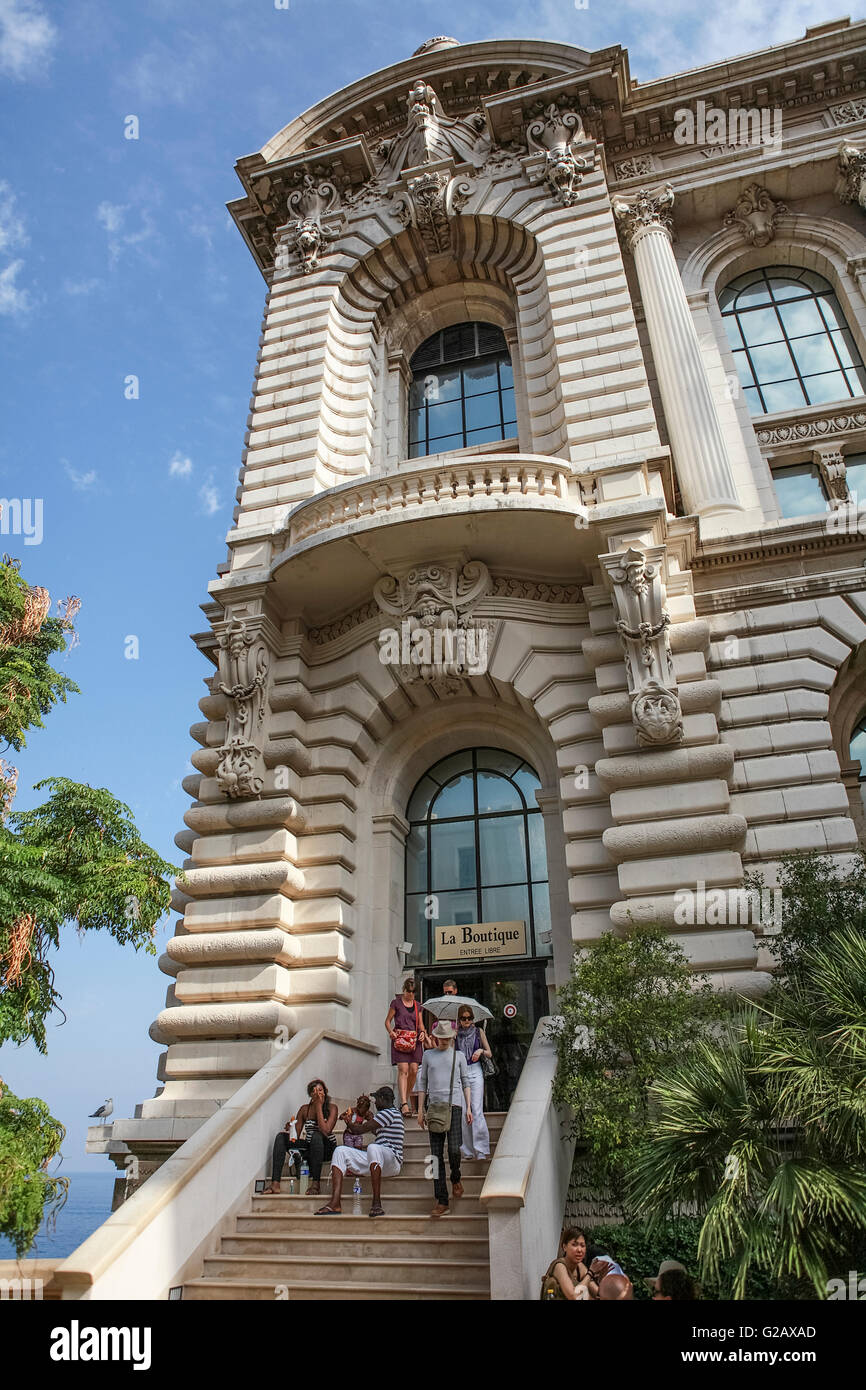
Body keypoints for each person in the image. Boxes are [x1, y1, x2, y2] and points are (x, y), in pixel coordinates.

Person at [315, 1085, 404, 1217]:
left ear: (383, 1099)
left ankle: (376, 1204)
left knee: (373, 1147)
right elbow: (375, 1131)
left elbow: (358, 1130)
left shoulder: (389, 1113)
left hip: (392, 1162)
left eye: (376, 1100)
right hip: (378, 1162)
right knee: (340, 1151)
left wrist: (348, 1123)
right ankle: (335, 1203)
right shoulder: (390, 1115)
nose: (375, 1103)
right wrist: (368, 1120)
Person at [417, 1020, 472, 1217]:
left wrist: (469, 1107)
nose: (444, 1041)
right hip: (434, 1108)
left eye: (447, 1037)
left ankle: (456, 1177)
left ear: (452, 1037)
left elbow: (466, 1081)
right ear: (435, 1037)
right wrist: (420, 1110)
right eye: (441, 1037)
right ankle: (441, 1200)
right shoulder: (428, 1055)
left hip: (455, 1105)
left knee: (454, 1148)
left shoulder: (459, 1056)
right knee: (435, 1156)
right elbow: (422, 1083)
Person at [262, 1077, 337, 1196]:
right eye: (314, 1091)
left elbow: (326, 1131)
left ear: (325, 1092)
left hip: (327, 1148)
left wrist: (318, 1106)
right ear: (310, 1095)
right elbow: (295, 1137)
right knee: (281, 1137)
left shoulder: (332, 1108)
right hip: (310, 1148)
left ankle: (316, 1184)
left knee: (317, 1136)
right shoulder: (304, 1109)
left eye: (320, 1090)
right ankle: (275, 1183)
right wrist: (291, 1128)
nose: (317, 1093)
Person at [386, 978, 429, 1118]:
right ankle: (404, 1103)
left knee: (414, 1070)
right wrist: (391, 1032)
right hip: (400, 1039)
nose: (410, 994)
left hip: (414, 1040)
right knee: (403, 1069)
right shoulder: (396, 1003)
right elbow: (387, 1021)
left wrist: (423, 1032)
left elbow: (420, 1024)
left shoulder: (418, 1005)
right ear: (404, 989)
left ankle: (406, 1096)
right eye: (408, 991)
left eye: (413, 992)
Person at [456, 1005, 492, 1161]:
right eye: (463, 1018)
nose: (466, 1021)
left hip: (476, 1070)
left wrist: (481, 1051)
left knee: (476, 1110)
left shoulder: (479, 1032)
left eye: (469, 1018)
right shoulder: (455, 1034)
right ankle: (468, 1150)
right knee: (464, 1112)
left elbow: (489, 1053)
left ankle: (481, 1149)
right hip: (460, 1072)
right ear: (459, 1019)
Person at [541, 1228, 593, 1300]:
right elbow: (573, 1296)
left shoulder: (580, 1267)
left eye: (582, 1245)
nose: (579, 1250)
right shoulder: (559, 1266)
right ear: (564, 1247)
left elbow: (596, 1291)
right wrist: (590, 1273)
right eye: (574, 1245)